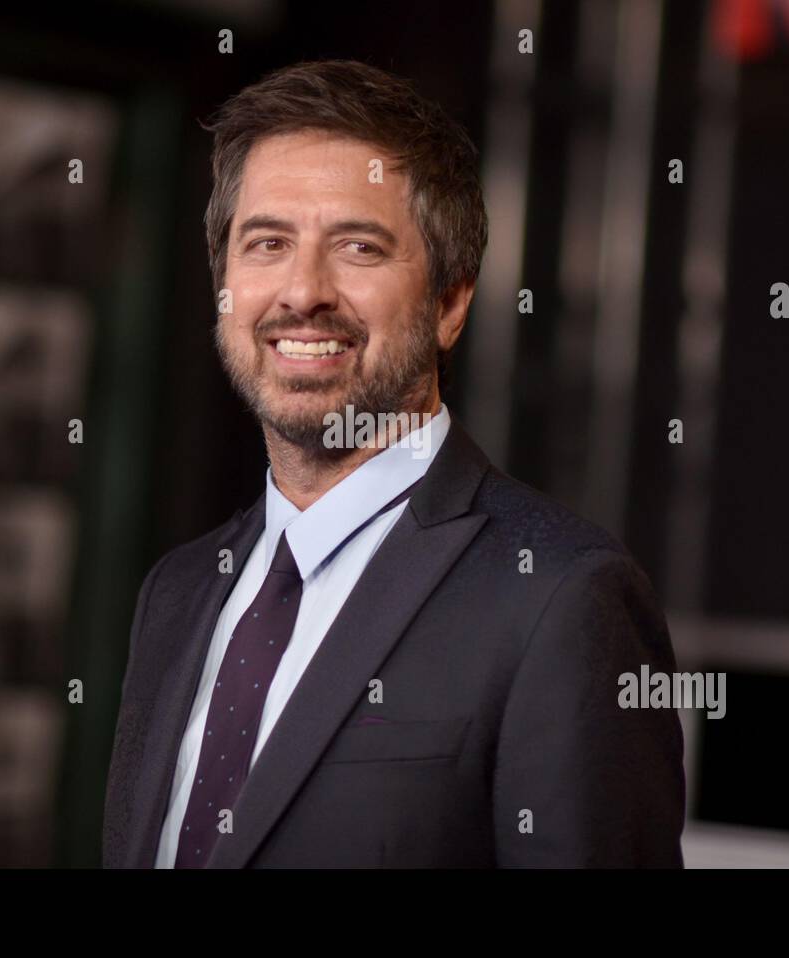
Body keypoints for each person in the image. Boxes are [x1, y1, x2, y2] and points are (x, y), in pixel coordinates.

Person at [103, 59, 684, 868]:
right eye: (266, 243)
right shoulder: (177, 591)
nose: (302, 292)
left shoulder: (560, 598)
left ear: (450, 303)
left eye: (358, 247)